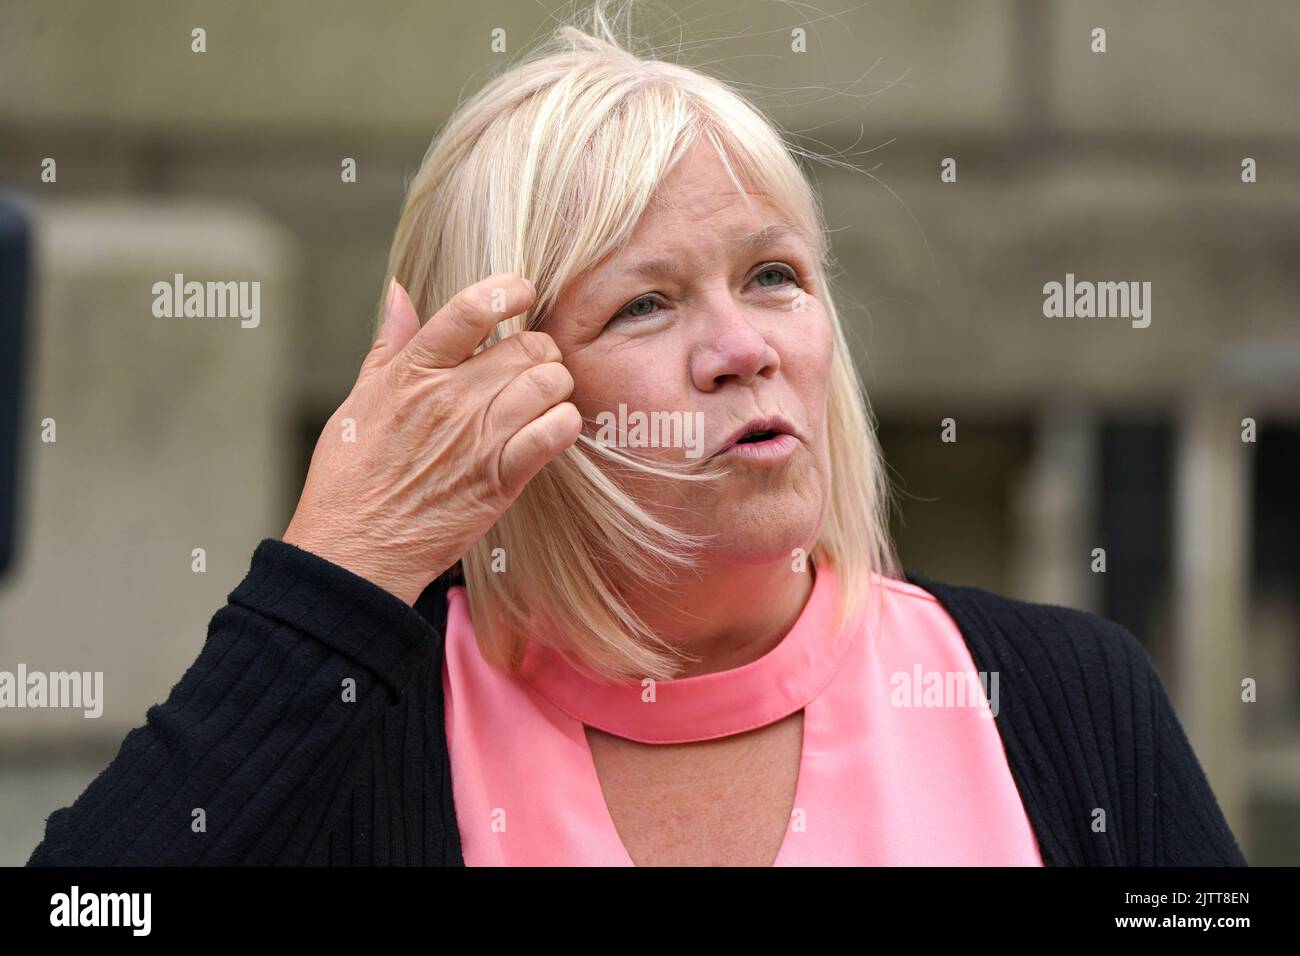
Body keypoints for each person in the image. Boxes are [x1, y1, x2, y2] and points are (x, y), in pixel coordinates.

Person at [27, 1, 1246, 867]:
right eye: (646, 303)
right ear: (505, 388)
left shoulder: (1061, 701)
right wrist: (334, 576)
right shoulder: (364, 733)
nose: (741, 348)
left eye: (773, 275)